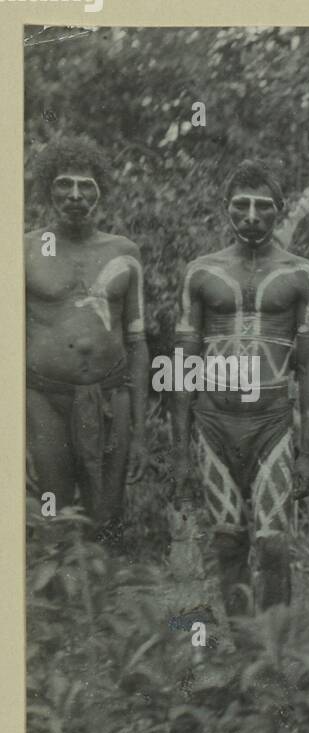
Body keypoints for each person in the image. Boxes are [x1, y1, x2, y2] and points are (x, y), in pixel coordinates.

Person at [173, 159, 309, 614]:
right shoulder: (201, 272)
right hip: (215, 423)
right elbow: (183, 364)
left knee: (275, 544)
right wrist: (180, 453)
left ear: (280, 210)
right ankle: (243, 651)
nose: (252, 217)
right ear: (225, 209)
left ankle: (274, 648)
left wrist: (308, 452)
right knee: (228, 538)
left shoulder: (301, 274)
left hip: (271, 424)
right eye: (241, 206)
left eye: (263, 207)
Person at [25, 137, 149, 541]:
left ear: (100, 192)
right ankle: (58, 600)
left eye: (86, 185)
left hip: (110, 398)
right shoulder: (24, 249)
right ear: (47, 189)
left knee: (105, 519)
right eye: (64, 183)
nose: (75, 195)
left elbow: (137, 342)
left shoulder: (124, 251)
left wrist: (141, 432)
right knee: (54, 513)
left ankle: (101, 600)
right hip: (44, 400)